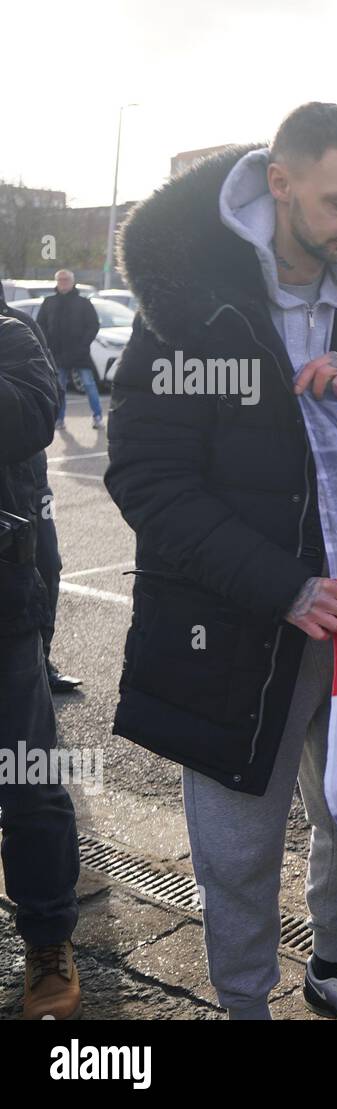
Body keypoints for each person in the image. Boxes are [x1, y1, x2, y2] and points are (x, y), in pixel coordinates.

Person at [105, 102, 337, 1020]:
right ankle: (245, 1003)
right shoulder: (187, 297)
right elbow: (149, 479)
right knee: (238, 846)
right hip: (234, 621)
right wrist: (282, 587)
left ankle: (334, 967)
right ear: (278, 183)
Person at [0, 314, 82, 1019]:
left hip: (3, 608)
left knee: (27, 780)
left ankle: (49, 938)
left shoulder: (11, 337)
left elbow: (25, 416)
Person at [0, 289, 80, 692]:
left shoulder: (16, 330)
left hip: (28, 484)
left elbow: (43, 407)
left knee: (45, 566)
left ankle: (41, 660)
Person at [36, 270, 104, 431]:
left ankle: (98, 417)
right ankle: (59, 419)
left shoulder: (84, 303)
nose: (63, 282)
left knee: (89, 384)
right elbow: (40, 325)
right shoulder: (49, 302)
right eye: (60, 280)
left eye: (66, 279)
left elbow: (93, 325)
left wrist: (83, 345)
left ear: (73, 281)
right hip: (57, 354)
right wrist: (47, 345)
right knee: (59, 388)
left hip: (80, 353)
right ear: (56, 282)